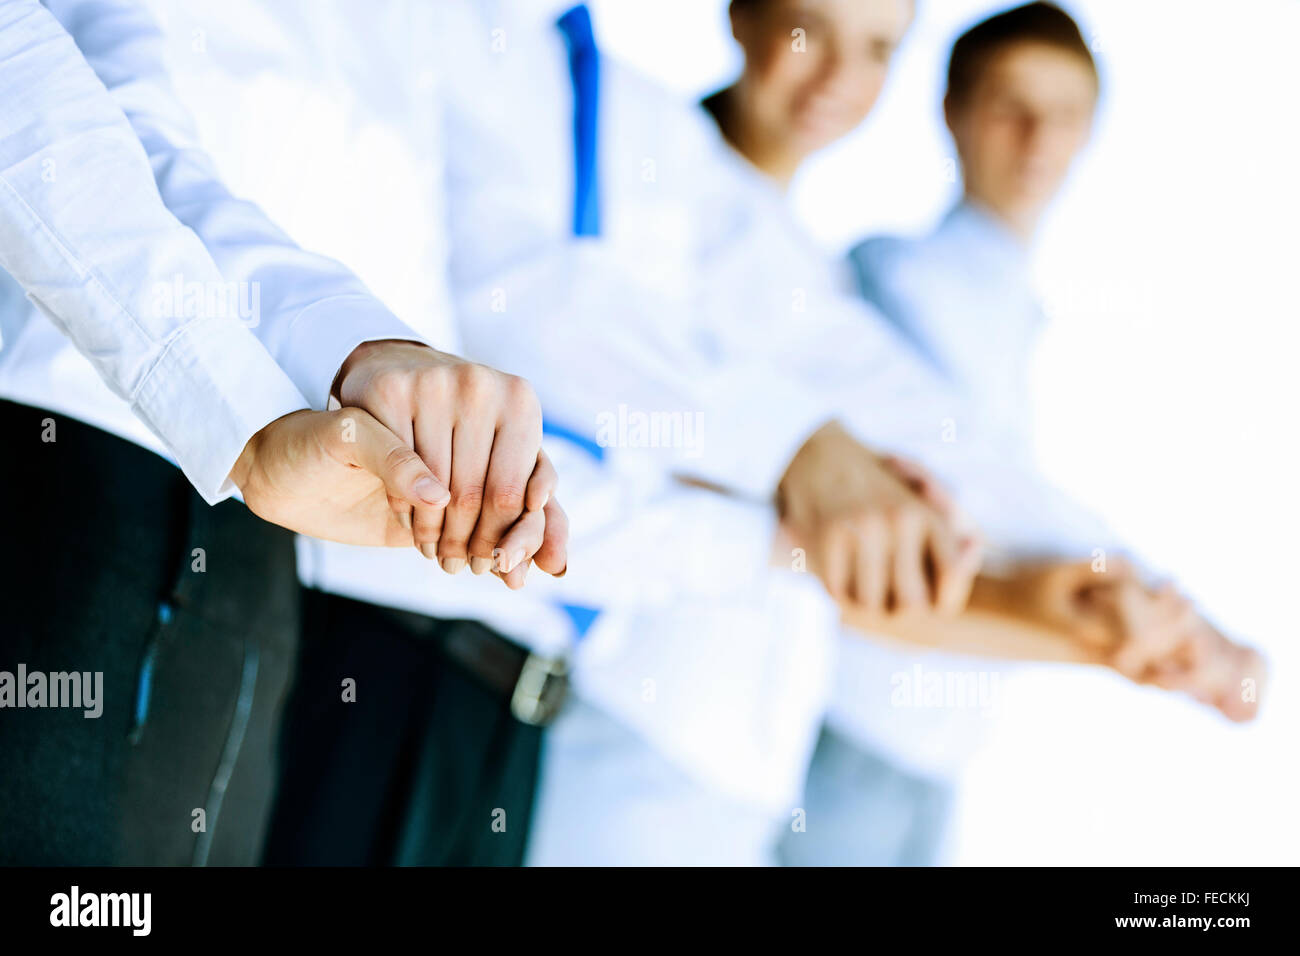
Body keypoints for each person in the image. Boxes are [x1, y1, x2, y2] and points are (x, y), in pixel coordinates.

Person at [437, 0, 1262, 865]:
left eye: (873, 48)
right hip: (625, 716)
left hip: (744, 770)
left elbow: (889, 484)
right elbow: (545, 328)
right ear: (741, 16)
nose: (833, 76)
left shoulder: (810, 271)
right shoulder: (635, 148)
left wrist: (1115, 612)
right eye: (807, 30)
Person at [0, 0, 565, 864]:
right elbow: (41, 93)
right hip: (75, 460)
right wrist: (248, 416)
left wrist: (358, 357)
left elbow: (156, 155)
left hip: (261, 528)